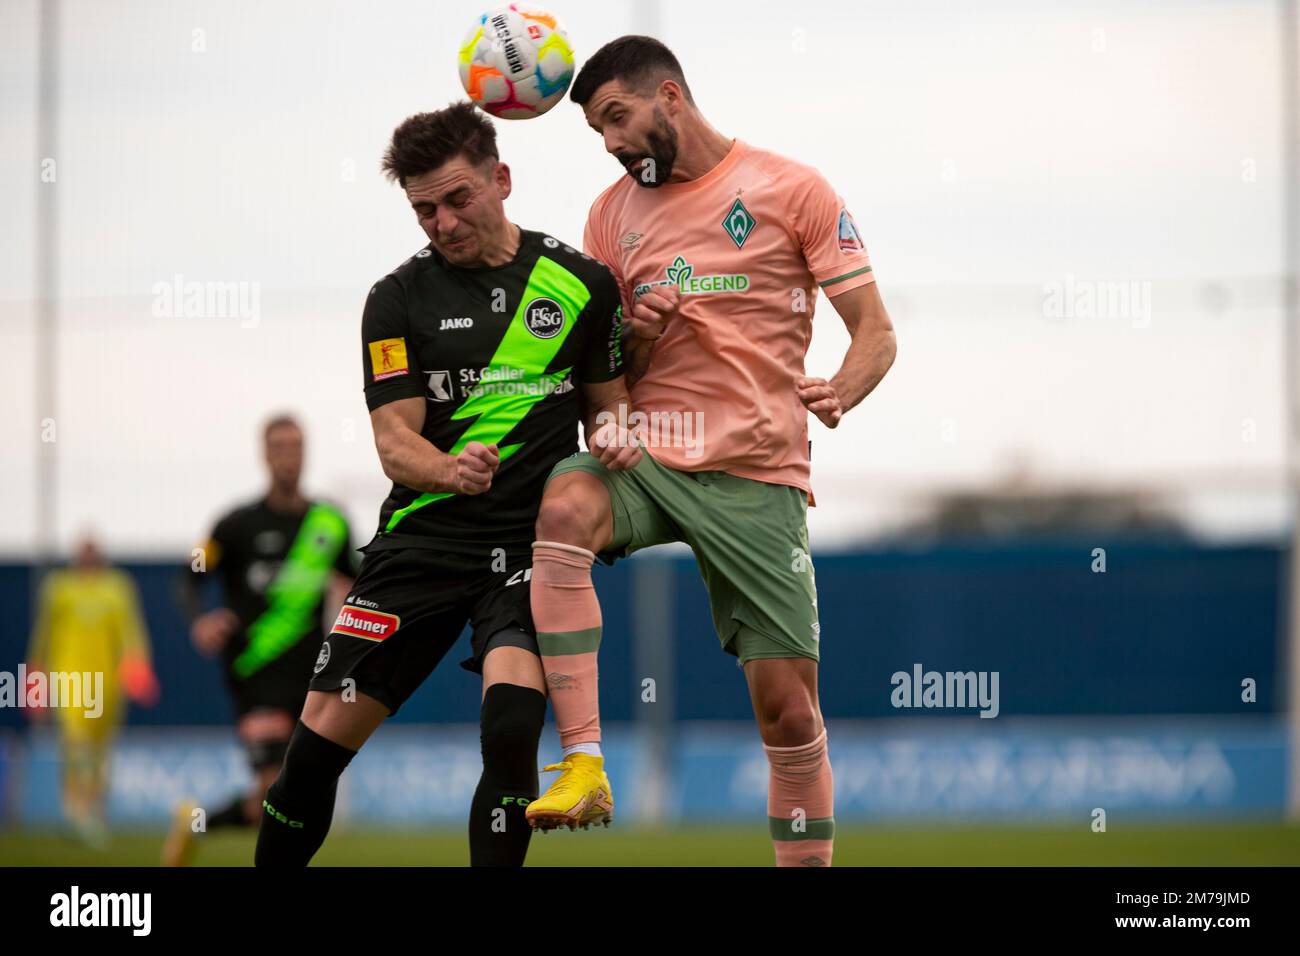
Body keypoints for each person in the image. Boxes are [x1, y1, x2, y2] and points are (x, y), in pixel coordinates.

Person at [523, 36, 898, 866]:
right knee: (565, 501)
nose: (613, 143)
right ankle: (584, 761)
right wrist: (635, 355)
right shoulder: (608, 217)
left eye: (618, 118)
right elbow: (605, 375)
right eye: (597, 133)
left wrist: (843, 385)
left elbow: (876, 333)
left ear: (671, 97)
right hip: (651, 453)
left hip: (758, 470)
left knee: (789, 714)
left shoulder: (792, 189)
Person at [253, 101, 633, 867]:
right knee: (318, 748)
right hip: (421, 543)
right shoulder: (394, 300)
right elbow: (395, 440)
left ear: (503, 178)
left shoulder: (584, 285)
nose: (442, 222)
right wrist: (447, 469)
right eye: (423, 208)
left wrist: (619, 433)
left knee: (511, 731)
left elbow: (610, 409)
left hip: (529, 555)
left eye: (458, 199)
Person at [167, 415, 355, 865]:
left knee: (293, 793)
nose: (289, 455)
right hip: (254, 672)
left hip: (312, 675)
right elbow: (189, 575)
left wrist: (347, 602)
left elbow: (359, 583)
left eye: (296, 446)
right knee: (275, 789)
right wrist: (201, 619)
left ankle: (197, 822)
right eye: (280, 447)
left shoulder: (330, 522)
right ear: (265, 454)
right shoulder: (234, 524)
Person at [26, 534, 158, 848]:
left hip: (108, 683)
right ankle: (77, 810)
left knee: (100, 750)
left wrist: (139, 667)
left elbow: (132, 631)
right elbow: (43, 633)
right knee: (77, 743)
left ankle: (95, 812)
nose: (87, 553)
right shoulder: (59, 588)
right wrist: (34, 675)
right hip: (70, 679)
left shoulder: (117, 587)